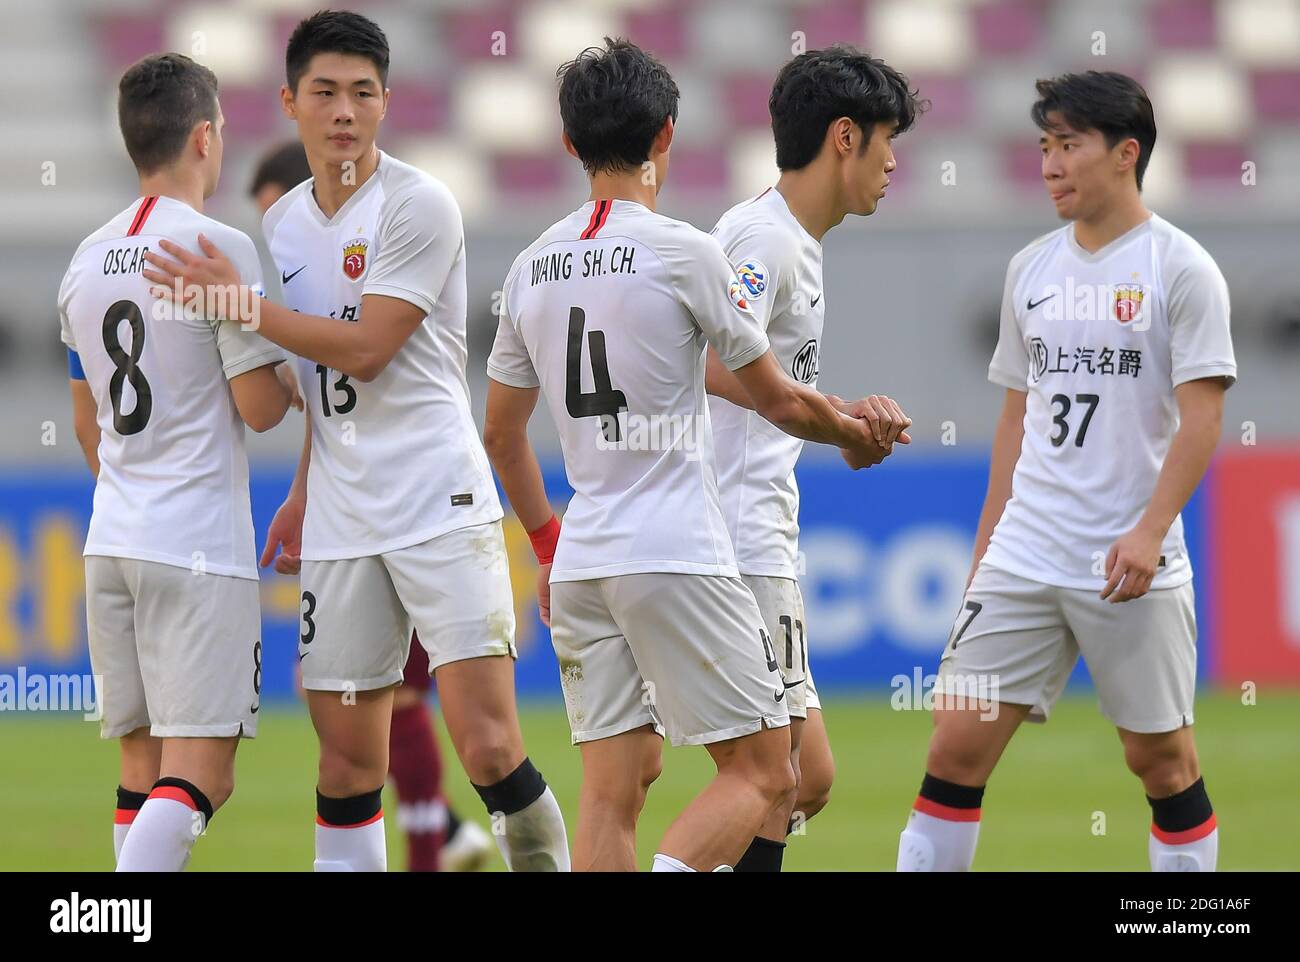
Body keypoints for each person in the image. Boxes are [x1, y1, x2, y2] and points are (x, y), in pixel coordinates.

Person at [144, 11, 568, 871]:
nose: (345, 111)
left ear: (385, 105)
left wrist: (240, 306)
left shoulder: (419, 205)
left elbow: (368, 351)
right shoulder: (285, 224)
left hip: (439, 500)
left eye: (363, 93)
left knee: (487, 748)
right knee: (345, 763)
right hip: (341, 518)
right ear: (290, 102)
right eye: (326, 92)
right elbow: (313, 382)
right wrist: (303, 492)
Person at [483, 38, 899, 871]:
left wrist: (544, 541)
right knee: (765, 774)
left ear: (568, 144)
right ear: (666, 135)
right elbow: (776, 398)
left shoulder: (530, 269)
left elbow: (499, 433)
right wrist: (853, 431)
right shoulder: (685, 251)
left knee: (612, 791)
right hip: (676, 546)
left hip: (584, 558)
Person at [898, 72, 1236, 872]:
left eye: (1069, 146)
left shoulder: (1181, 270)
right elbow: (1017, 419)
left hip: (1129, 561)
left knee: (1162, 763)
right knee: (954, 745)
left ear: (1126, 154)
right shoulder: (1031, 271)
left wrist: (1150, 530)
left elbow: (1205, 418)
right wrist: (988, 548)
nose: (1050, 164)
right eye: (1045, 146)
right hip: (1026, 553)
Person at [60, 53, 293, 870]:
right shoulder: (217, 246)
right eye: (222, 128)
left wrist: (132, 483)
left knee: (139, 768)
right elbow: (260, 410)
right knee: (203, 776)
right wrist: (290, 372)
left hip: (112, 537)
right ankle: (113, 920)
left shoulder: (83, 261)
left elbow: (88, 422)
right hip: (196, 544)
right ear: (204, 138)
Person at [705, 46, 922, 867]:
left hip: (755, 531)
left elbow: (763, 380)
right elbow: (713, 364)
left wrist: (842, 418)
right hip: (735, 535)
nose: (894, 163)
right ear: (843, 137)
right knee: (778, 776)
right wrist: (836, 426)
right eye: (885, 140)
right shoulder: (763, 239)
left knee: (804, 776)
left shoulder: (789, 236)